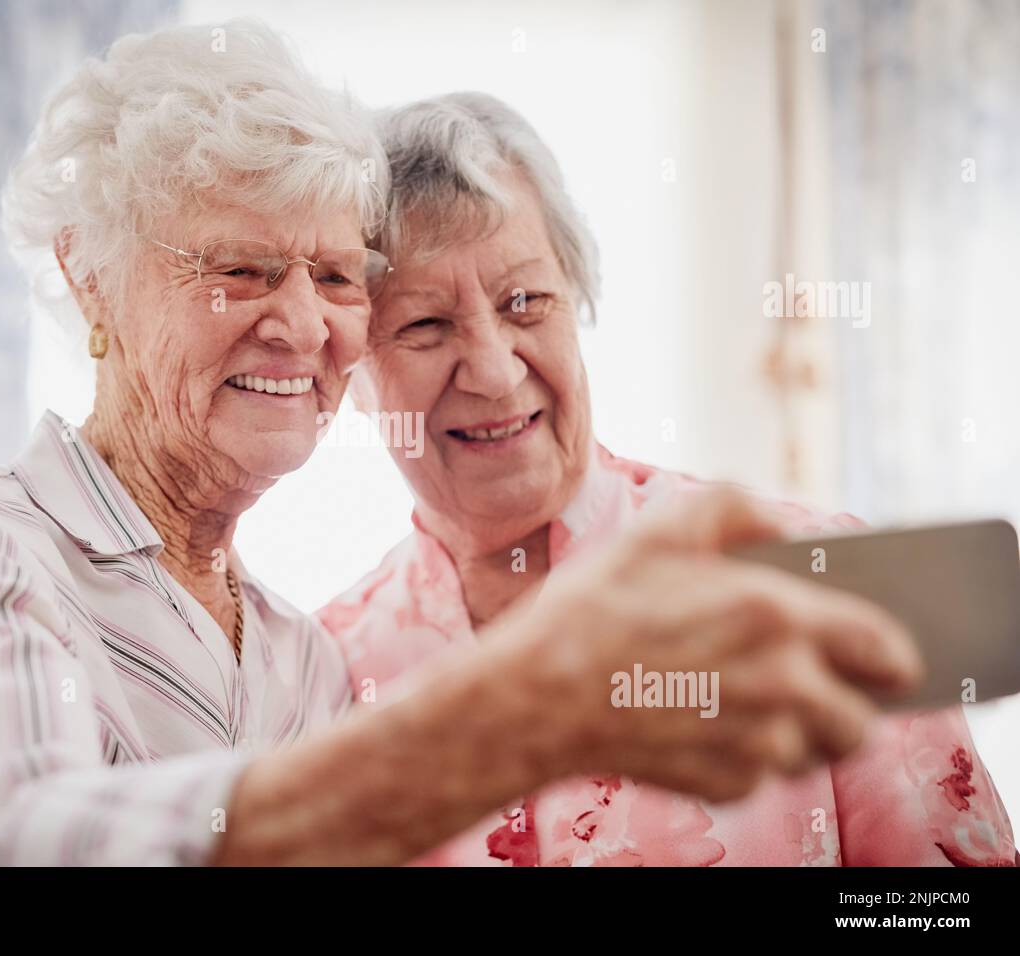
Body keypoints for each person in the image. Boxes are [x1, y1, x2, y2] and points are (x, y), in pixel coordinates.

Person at [0, 23, 924, 867]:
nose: (299, 323)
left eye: (336, 275)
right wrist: (500, 724)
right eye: (239, 268)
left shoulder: (298, 656)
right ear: (89, 273)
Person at [319, 91, 1016, 866]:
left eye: (525, 302)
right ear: (351, 368)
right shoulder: (325, 673)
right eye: (424, 325)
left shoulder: (816, 578)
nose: (491, 369)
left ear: (575, 302)